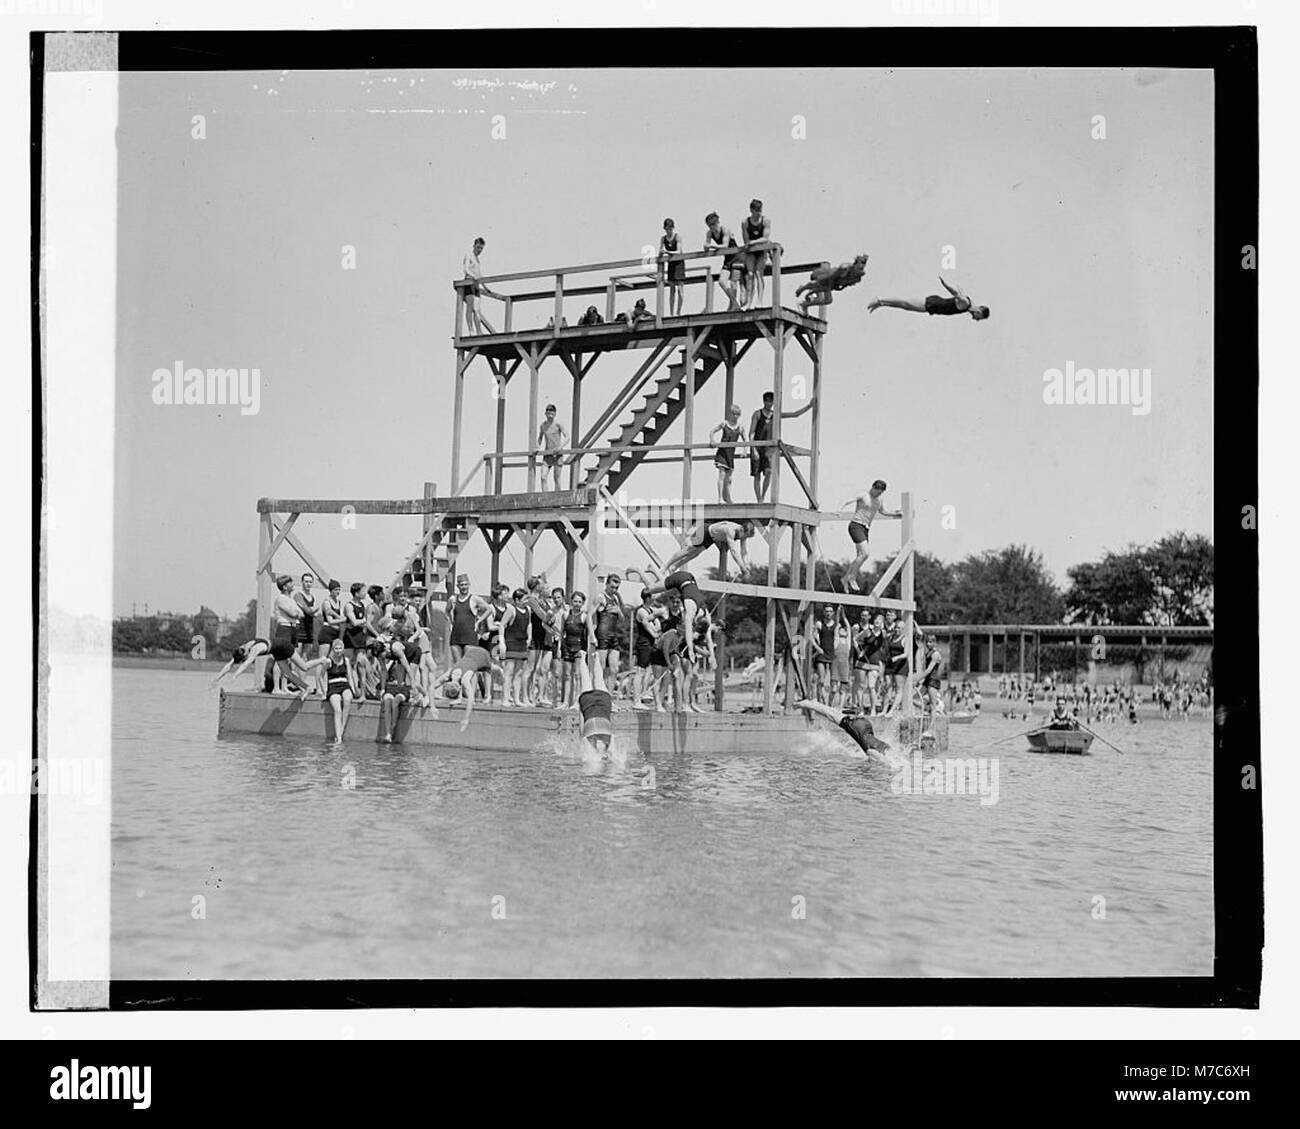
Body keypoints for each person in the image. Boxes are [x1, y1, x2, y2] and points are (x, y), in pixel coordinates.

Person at [749, 391, 813, 501]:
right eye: (767, 401)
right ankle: (759, 499)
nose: (769, 403)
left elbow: (794, 414)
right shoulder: (757, 414)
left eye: (771, 401)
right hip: (757, 446)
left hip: (769, 448)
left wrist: (809, 406)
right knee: (757, 474)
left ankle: (763, 496)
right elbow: (751, 433)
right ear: (764, 401)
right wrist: (753, 448)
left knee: (769, 473)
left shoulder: (775, 414)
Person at [841, 480, 903, 591]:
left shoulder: (879, 499)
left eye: (880, 493)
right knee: (865, 553)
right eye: (877, 492)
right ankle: (851, 577)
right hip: (856, 525)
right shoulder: (864, 495)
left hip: (865, 529)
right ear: (873, 488)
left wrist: (895, 513)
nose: (878, 495)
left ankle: (846, 578)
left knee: (860, 556)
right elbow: (848, 501)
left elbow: (883, 511)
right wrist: (839, 510)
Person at [431, 644, 501, 732]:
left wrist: (465, 719)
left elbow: (471, 700)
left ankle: (500, 670)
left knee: (491, 668)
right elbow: (432, 687)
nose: (454, 675)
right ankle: (460, 698)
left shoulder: (463, 679)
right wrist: (432, 707)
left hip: (482, 654)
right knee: (484, 669)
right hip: (470, 653)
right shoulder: (448, 675)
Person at [796, 698, 893, 759]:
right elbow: (871, 753)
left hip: (867, 726)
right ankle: (807, 704)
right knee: (831, 715)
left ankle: (815, 704)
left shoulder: (886, 747)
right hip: (857, 727)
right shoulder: (876, 753)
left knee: (835, 714)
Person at [662, 518, 755, 579]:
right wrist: (742, 567)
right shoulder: (730, 530)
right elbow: (734, 551)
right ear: (742, 529)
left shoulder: (743, 533)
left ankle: (674, 567)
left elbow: (743, 551)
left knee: (695, 554)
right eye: (745, 536)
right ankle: (666, 566)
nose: (744, 538)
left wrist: (745, 565)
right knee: (688, 551)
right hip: (706, 531)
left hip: (711, 538)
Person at [868, 275, 989, 321]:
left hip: (933, 308)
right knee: (905, 303)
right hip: (933, 303)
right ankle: (879, 300)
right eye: (979, 318)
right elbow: (957, 293)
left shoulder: (969, 305)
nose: (976, 319)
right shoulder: (966, 304)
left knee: (905, 307)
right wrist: (945, 284)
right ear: (979, 311)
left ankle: (881, 303)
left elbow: (960, 291)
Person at [589, 574, 627, 688]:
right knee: (600, 667)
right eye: (612, 587)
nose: (614, 590)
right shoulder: (601, 597)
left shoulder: (615, 598)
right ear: (606, 584)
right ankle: (597, 692)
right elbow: (589, 616)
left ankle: (609, 698)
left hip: (613, 635)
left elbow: (622, 619)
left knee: (614, 669)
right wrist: (592, 635)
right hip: (602, 635)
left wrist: (619, 611)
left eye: (616, 588)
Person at [575, 648, 615, 757]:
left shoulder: (608, 741)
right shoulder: (607, 744)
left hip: (603, 705)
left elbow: (581, 723)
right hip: (594, 719)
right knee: (586, 681)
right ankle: (585, 657)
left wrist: (581, 738)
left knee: (599, 680)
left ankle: (593, 657)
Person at [796, 254, 869, 313]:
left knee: (828, 300)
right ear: (855, 264)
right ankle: (802, 288)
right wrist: (827, 288)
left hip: (834, 284)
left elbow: (847, 284)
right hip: (827, 276)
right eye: (858, 268)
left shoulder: (858, 277)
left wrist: (841, 287)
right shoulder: (844, 268)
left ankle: (805, 304)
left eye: (861, 268)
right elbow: (832, 277)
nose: (859, 270)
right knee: (816, 285)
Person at [322, 637, 361, 744]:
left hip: (344, 684)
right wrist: (324, 691)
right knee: (337, 709)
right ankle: (338, 737)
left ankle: (341, 731)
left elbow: (349, 676)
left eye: (340, 648)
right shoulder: (328, 661)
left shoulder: (346, 660)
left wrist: (353, 689)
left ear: (343, 649)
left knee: (348, 699)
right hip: (333, 685)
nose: (338, 651)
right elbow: (322, 675)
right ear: (333, 650)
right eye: (336, 649)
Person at [632, 588, 665, 709]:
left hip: (650, 643)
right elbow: (650, 627)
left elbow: (658, 625)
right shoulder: (641, 611)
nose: (655, 598)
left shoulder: (650, 610)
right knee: (640, 671)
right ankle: (636, 701)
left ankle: (643, 695)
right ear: (648, 598)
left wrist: (656, 628)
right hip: (644, 643)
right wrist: (656, 634)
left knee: (648, 671)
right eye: (653, 596)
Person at [461, 236, 501, 335]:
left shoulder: (478, 260)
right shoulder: (468, 255)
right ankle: (471, 330)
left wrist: (485, 287)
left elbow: (480, 275)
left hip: (476, 285)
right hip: (469, 282)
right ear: (474, 246)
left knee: (477, 310)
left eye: (481, 248)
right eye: (478, 247)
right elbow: (466, 269)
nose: (479, 250)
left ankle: (479, 331)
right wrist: (474, 277)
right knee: (470, 307)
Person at [704, 211, 743, 311]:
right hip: (727, 259)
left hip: (736, 256)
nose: (712, 228)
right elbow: (706, 245)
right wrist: (706, 246)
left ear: (717, 223)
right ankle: (735, 303)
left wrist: (712, 246)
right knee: (722, 281)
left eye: (713, 225)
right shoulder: (709, 233)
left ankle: (733, 305)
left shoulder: (725, 230)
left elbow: (725, 246)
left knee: (734, 282)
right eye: (709, 226)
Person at [446, 573, 490, 663]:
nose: (464, 587)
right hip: (456, 635)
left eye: (466, 584)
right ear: (458, 586)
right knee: (458, 664)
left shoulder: (474, 599)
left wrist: (478, 621)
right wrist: (450, 622)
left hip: (469, 635)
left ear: (469, 585)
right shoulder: (453, 599)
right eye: (462, 585)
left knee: (469, 663)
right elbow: (446, 611)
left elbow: (489, 609)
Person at [499, 587, 532, 707]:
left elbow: (529, 624)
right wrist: (502, 642)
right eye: (524, 599)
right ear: (517, 600)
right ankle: (505, 698)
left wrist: (529, 637)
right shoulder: (511, 610)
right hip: (511, 643)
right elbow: (502, 625)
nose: (526, 601)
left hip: (522, 643)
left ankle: (517, 699)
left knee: (519, 673)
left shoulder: (528, 610)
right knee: (509, 672)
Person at [708, 406, 747, 504]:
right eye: (733, 414)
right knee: (722, 474)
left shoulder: (740, 427)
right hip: (722, 452)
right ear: (730, 414)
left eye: (737, 414)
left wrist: (745, 450)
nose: (735, 416)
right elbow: (712, 431)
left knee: (729, 478)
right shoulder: (725, 423)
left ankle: (728, 497)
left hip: (731, 454)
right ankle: (720, 498)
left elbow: (745, 440)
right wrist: (712, 440)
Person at [739, 198, 772, 308]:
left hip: (762, 250)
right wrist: (750, 243)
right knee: (750, 274)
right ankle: (748, 302)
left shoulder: (765, 220)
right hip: (751, 251)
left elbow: (765, 238)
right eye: (756, 211)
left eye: (760, 210)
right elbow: (746, 240)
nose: (759, 213)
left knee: (759, 273)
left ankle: (759, 301)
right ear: (751, 210)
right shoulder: (745, 222)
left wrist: (753, 242)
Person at [557, 590, 588, 707]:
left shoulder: (584, 616)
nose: (577, 604)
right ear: (571, 602)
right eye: (575, 601)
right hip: (567, 646)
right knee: (567, 675)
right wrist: (560, 648)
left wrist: (585, 650)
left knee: (577, 675)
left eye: (580, 602)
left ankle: (577, 701)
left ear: (583, 603)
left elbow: (588, 634)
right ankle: (565, 702)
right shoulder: (565, 615)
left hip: (579, 647)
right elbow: (561, 633)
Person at [536, 404, 568, 492]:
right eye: (548, 413)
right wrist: (537, 447)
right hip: (548, 455)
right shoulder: (543, 425)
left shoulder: (558, 424)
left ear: (555, 414)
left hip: (557, 455)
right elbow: (540, 437)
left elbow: (567, 437)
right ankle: (545, 497)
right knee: (543, 477)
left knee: (556, 478)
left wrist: (560, 447)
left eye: (552, 413)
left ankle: (558, 499)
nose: (550, 415)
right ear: (545, 414)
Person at [659, 217, 686, 316]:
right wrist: (661, 253)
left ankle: (678, 311)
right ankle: (671, 313)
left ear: (673, 228)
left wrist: (667, 252)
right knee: (672, 289)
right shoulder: (663, 238)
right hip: (671, 263)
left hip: (678, 263)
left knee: (680, 289)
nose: (668, 230)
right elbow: (661, 250)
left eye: (670, 228)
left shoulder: (678, 237)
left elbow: (679, 251)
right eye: (667, 228)